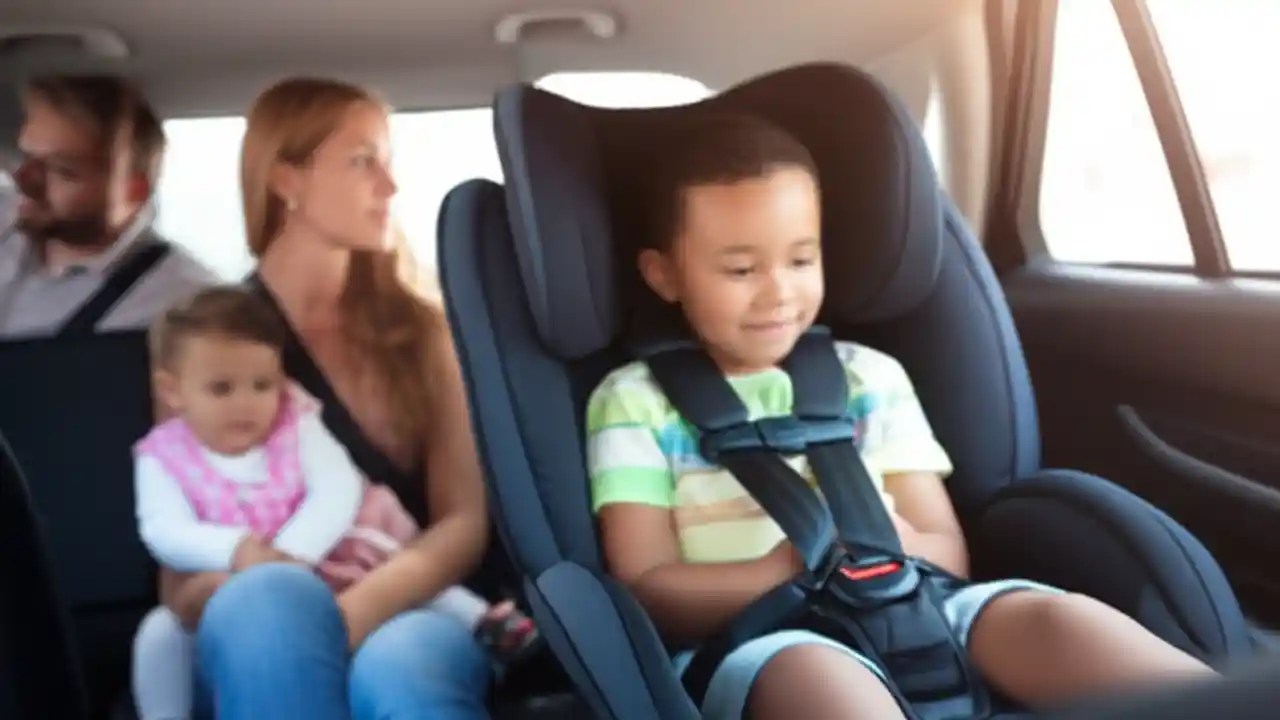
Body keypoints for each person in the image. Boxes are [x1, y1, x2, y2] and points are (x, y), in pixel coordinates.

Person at [584, 114, 1216, 719]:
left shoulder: (869, 378)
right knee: (818, 676)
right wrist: (776, 572)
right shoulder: (634, 401)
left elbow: (946, 550)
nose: (779, 290)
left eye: (801, 260)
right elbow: (646, 585)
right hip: (761, 639)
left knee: (1065, 621)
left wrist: (890, 543)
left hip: (919, 602)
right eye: (741, 269)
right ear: (664, 275)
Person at [156, 77, 510, 720]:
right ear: (286, 180)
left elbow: (463, 524)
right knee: (264, 610)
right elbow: (180, 575)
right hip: (260, 616)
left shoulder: (422, 330)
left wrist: (349, 613)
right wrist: (285, 602)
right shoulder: (205, 347)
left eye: (388, 162)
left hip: (414, 604)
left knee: (401, 669)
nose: (390, 188)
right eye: (362, 161)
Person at [130, 286, 538, 720]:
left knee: (400, 652)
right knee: (174, 632)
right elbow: (166, 539)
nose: (245, 403)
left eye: (262, 386)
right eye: (222, 389)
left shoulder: (301, 418)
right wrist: (243, 562)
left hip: (369, 574)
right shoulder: (176, 426)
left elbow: (355, 494)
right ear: (174, 392)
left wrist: (297, 570)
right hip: (252, 591)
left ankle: (484, 622)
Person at [0, 75, 216, 337]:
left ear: (132, 193)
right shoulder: (8, 217)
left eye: (62, 171)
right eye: (27, 156)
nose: (23, 179)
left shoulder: (186, 303)